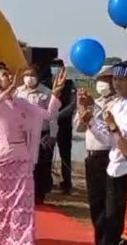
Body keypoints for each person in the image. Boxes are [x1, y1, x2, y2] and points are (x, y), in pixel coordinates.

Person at [0, 64, 65, 244]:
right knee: (1, 203)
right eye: (5, 75)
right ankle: (3, 239)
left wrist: (56, 93)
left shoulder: (22, 102)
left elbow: (48, 114)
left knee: (23, 204)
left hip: (22, 156)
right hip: (1, 156)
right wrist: (8, 92)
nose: (9, 77)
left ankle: (22, 240)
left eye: (9, 74)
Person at [74, 65, 117, 244]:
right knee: (95, 203)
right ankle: (100, 239)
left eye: (107, 80)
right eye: (100, 80)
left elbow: (108, 133)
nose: (103, 84)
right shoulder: (94, 102)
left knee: (111, 207)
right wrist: (82, 109)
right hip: (92, 157)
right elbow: (78, 127)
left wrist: (94, 111)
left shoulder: (119, 104)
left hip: (110, 156)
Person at [16, 64, 59, 204]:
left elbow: (52, 115)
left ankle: (39, 194)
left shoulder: (46, 93)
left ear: (38, 77)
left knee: (40, 165)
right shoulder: (17, 92)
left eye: (32, 75)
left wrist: (52, 134)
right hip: (22, 134)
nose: (29, 78)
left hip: (41, 134)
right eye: (27, 75)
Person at [99, 62, 127, 245]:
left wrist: (113, 127)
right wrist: (90, 121)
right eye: (115, 79)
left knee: (120, 223)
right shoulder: (116, 104)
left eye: (122, 79)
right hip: (113, 167)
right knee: (109, 220)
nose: (116, 83)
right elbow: (108, 140)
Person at [47, 59, 76, 194]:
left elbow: (72, 105)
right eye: (53, 67)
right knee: (47, 155)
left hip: (64, 126)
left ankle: (67, 184)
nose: (55, 70)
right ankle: (47, 183)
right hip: (49, 126)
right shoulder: (46, 84)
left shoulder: (70, 85)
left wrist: (57, 115)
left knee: (65, 156)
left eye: (58, 67)